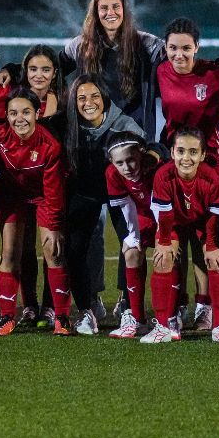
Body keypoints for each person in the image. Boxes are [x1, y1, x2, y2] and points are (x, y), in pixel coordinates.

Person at [57, 75, 160, 334]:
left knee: (130, 243)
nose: (88, 102)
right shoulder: (68, 125)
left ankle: (128, 307)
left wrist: (155, 153)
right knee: (74, 248)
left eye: (94, 96)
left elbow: (152, 148)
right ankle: (86, 308)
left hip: (121, 193)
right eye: (81, 98)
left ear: (104, 98)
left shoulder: (123, 124)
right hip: (85, 192)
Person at [0, 88, 73, 336]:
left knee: (53, 251)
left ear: (37, 113)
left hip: (43, 197)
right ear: (6, 115)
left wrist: (56, 227)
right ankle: (7, 317)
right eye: (13, 113)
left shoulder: (50, 145)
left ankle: (62, 317)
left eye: (26, 112)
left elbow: (53, 192)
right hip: (12, 198)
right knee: (9, 253)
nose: (20, 118)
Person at [143, 128, 219, 344]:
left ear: (202, 155)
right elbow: (167, 215)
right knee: (162, 260)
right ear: (172, 152)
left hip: (202, 222)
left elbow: (212, 218)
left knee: (215, 260)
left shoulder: (212, 178)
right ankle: (164, 325)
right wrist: (163, 243)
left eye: (192, 152)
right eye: (180, 151)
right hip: (174, 223)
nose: (186, 158)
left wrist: (211, 245)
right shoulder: (163, 175)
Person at [61, 0, 165, 139]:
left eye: (116, 6)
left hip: (134, 138)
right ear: (96, 13)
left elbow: (178, 59)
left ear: (124, 10)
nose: (110, 13)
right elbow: (51, 70)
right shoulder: (80, 45)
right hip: (93, 139)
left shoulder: (147, 44)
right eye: (104, 8)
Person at [104, 131, 161, 339]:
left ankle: (167, 320)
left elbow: (161, 205)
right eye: (120, 163)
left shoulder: (155, 169)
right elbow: (127, 206)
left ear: (141, 154)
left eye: (131, 160)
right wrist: (133, 237)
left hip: (166, 214)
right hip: (143, 216)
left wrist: (164, 239)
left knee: (166, 256)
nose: (126, 168)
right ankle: (138, 321)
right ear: (112, 162)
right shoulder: (112, 174)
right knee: (131, 252)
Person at [155, 18, 219, 166]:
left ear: (196, 47)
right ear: (165, 47)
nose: (178, 54)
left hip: (209, 154)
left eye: (186, 48)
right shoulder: (160, 71)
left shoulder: (216, 74)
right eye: (173, 48)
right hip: (173, 152)